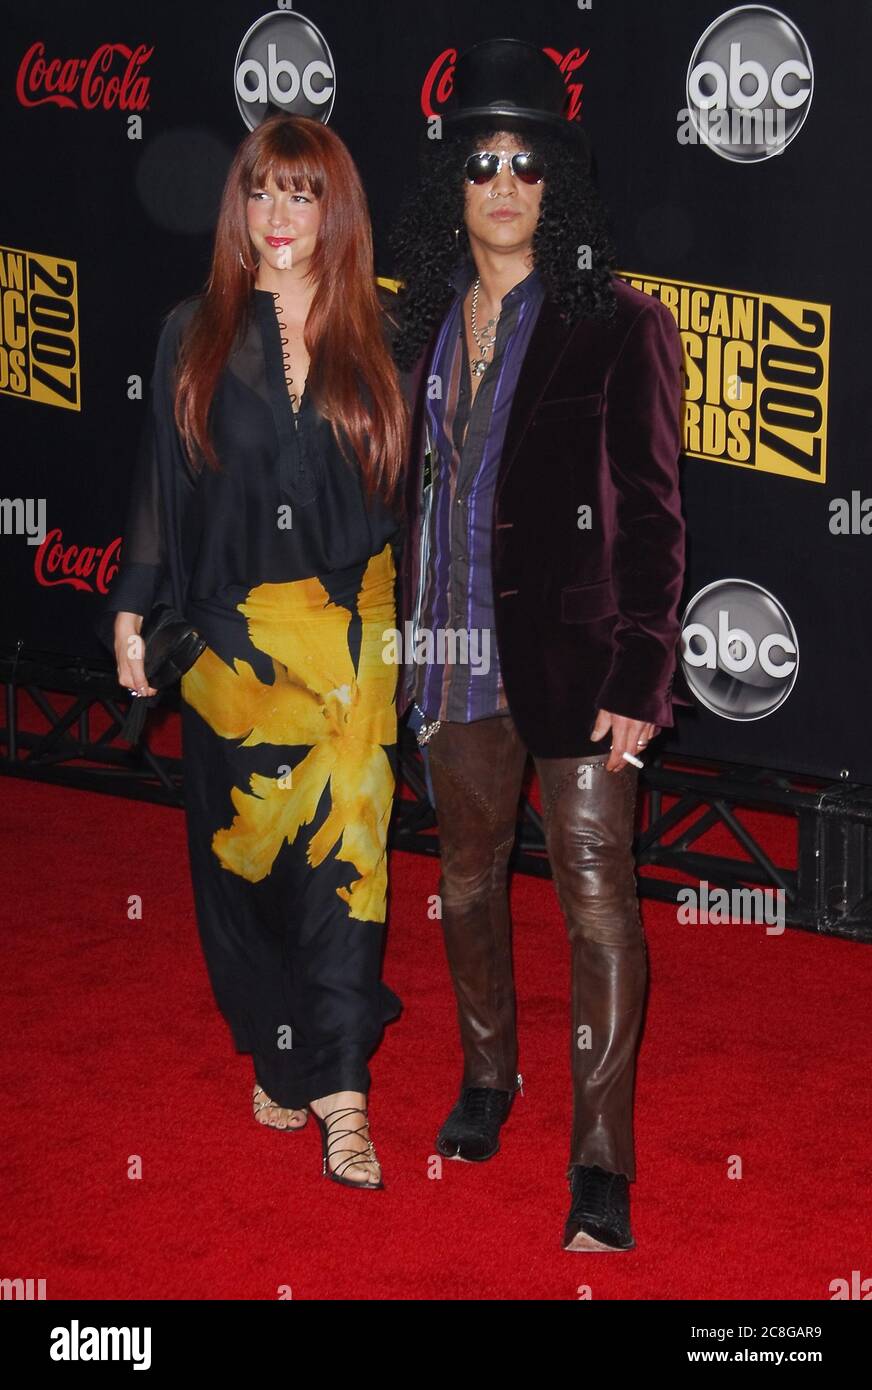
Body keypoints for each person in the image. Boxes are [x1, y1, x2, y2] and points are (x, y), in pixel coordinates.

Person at [390, 39, 688, 1246]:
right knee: (462, 887)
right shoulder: (417, 327)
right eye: (479, 163)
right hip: (447, 657)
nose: (502, 182)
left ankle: (601, 1162)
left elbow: (656, 512)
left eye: (524, 161)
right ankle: (486, 1078)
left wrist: (640, 672)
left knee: (597, 908)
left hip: (572, 670)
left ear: (554, 183)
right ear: (452, 189)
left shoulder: (618, 324)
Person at [102, 113, 408, 1189]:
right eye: (263, 192)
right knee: (245, 863)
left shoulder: (386, 332)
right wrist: (134, 608)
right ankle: (279, 1042)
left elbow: (432, 497)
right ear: (240, 205)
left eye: (303, 193)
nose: (280, 216)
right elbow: (160, 482)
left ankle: (341, 1092)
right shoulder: (191, 329)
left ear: (336, 209)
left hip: (350, 643)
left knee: (345, 857)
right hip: (228, 648)